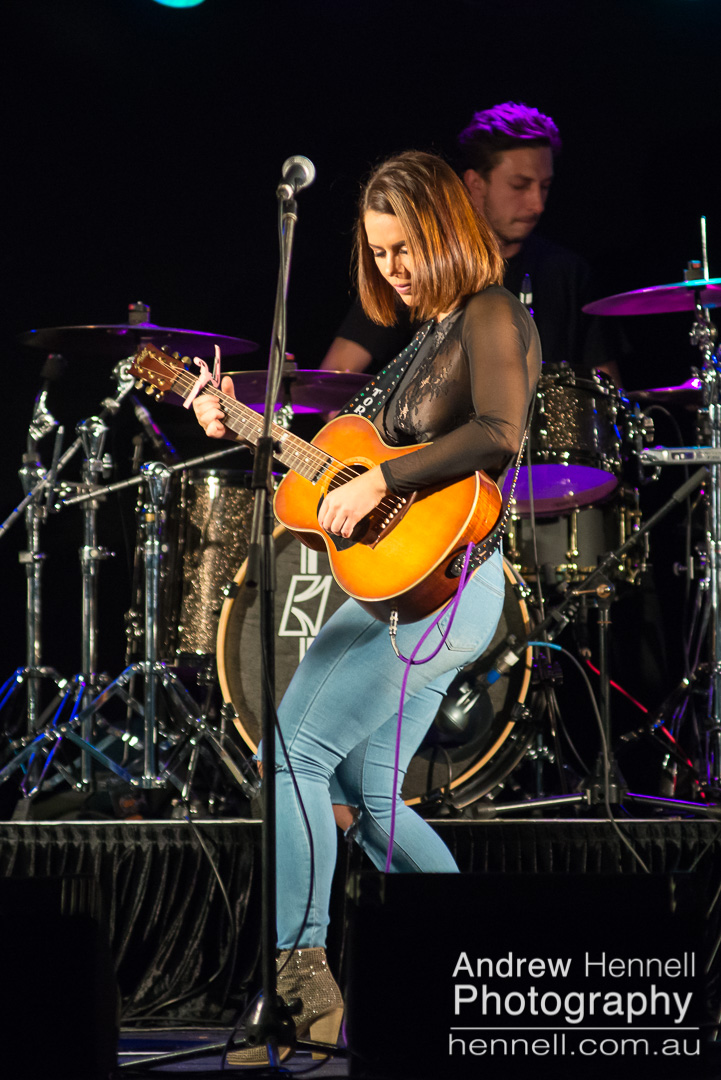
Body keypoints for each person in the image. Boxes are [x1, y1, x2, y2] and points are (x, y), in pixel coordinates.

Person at [193, 151, 541, 1063]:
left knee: (294, 749)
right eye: (379, 252)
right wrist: (243, 422)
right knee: (367, 794)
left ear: (444, 231)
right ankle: (478, 973)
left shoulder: (491, 313)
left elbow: (497, 434)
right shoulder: (415, 343)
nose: (392, 267)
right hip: (405, 586)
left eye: (405, 247)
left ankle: (301, 980)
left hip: (449, 584)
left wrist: (382, 471)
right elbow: (336, 475)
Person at [322, 102, 618, 382]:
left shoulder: (569, 273)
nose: (537, 204)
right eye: (520, 185)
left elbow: (608, 395)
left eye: (545, 186)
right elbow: (333, 381)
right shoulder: (415, 266)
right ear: (475, 184)